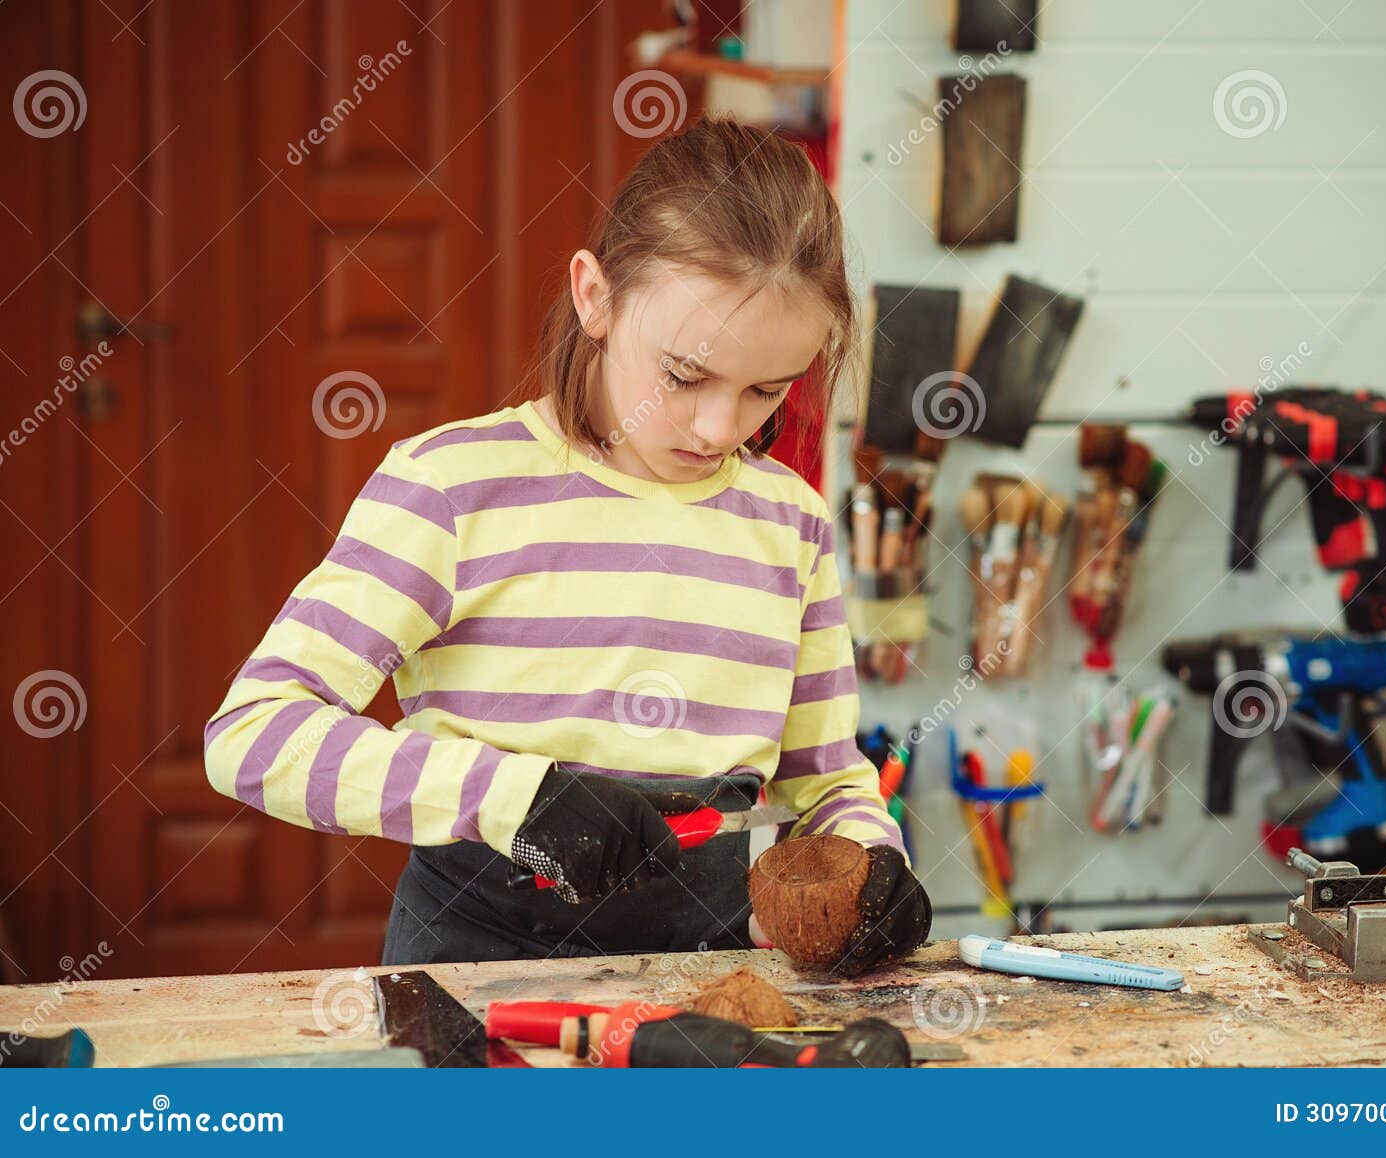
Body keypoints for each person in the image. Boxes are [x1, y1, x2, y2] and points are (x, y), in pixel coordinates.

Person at [203, 115, 931, 973]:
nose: (717, 426)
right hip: (481, 968)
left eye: (765, 390)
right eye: (684, 376)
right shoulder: (453, 489)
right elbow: (254, 736)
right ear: (596, 296)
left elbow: (823, 780)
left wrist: (873, 862)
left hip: (711, 974)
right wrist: (516, 798)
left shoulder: (790, 521)